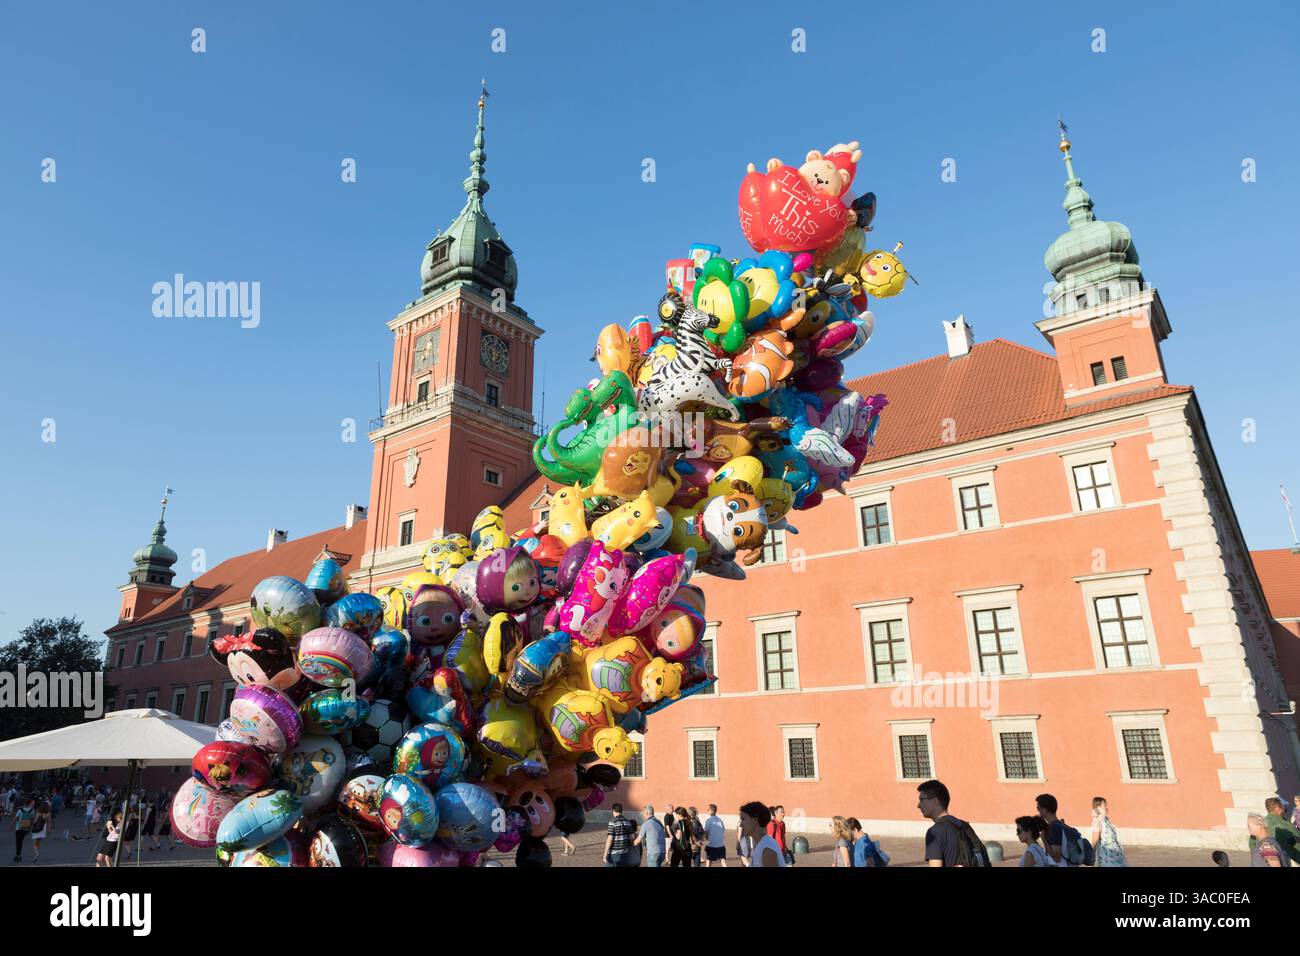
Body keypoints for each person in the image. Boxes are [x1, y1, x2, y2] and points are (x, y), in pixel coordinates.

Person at [918, 779, 988, 867]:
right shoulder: (963, 825)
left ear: (935, 801)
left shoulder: (935, 832)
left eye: (922, 800)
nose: (918, 805)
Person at [1036, 793, 1084, 866]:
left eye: (1038, 808)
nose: (1038, 811)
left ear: (1045, 809)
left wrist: (1044, 839)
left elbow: (1056, 857)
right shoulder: (1061, 824)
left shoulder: (1053, 827)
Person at [740, 802, 785, 868]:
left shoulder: (767, 849)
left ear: (755, 819)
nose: (741, 824)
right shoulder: (760, 844)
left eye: (743, 819)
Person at [1090, 796, 1128, 867]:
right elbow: (1094, 842)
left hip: (1117, 857)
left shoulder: (1106, 820)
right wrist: (1091, 859)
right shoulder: (1097, 822)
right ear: (1098, 807)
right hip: (1107, 860)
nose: (1107, 806)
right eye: (1104, 805)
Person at [1262, 797, 1300, 865]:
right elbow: (1290, 840)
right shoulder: (1277, 822)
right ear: (1277, 808)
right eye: (1282, 807)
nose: (1284, 810)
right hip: (1290, 859)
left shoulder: (1270, 820)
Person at [602, 803, 637, 867]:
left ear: (614, 811)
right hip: (624, 853)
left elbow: (610, 839)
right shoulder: (627, 822)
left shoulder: (612, 822)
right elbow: (632, 837)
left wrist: (605, 853)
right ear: (621, 811)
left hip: (614, 853)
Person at [12, 796, 36, 862]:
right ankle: (19, 854)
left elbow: (15, 819)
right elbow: (32, 821)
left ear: (25, 803)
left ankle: (18, 856)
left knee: (18, 842)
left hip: (19, 828)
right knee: (21, 841)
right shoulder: (32, 811)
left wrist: (10, 826)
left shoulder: (20, 810)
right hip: (26, 828)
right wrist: (30, 829)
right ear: (30, 803)